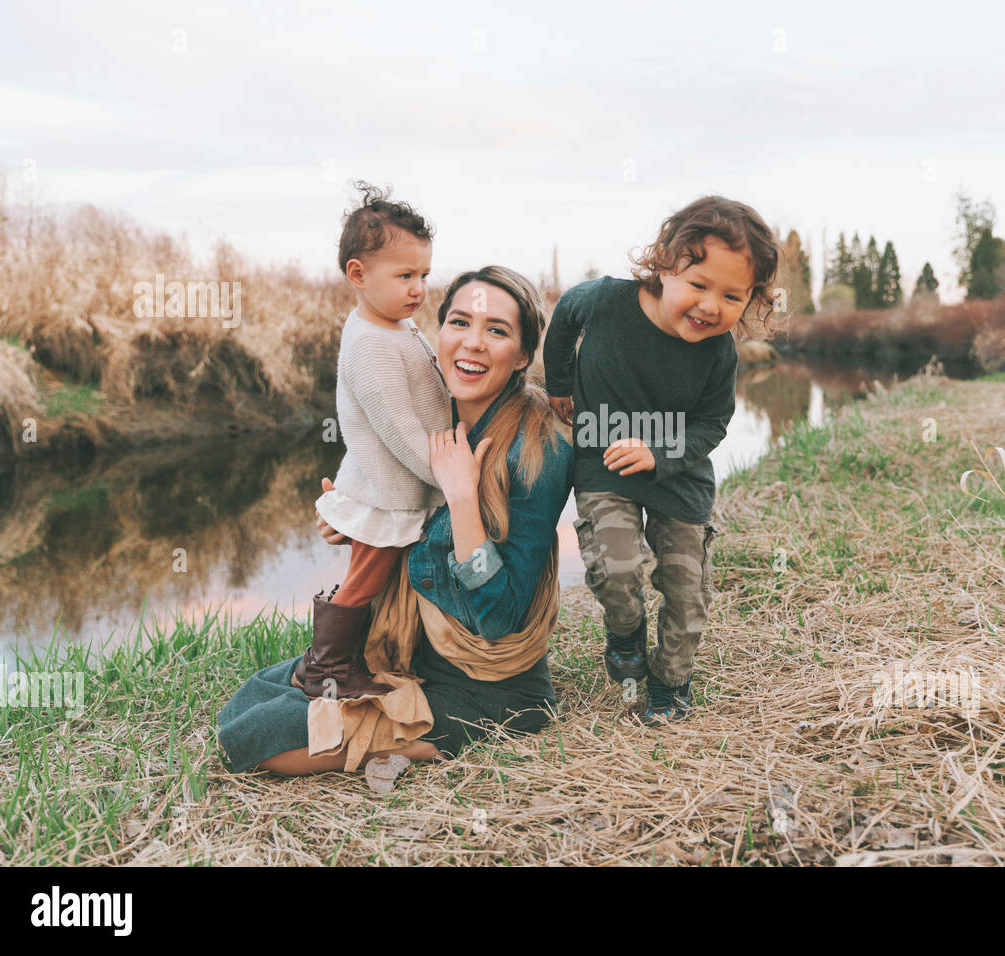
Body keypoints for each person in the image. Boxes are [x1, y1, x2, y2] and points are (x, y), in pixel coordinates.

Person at [217, 266, 573, 774]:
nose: (472, 343)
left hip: (484, 682)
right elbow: (408, 526)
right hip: (410, 650)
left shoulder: (541, 448)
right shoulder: (430, 415)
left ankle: (420, 741)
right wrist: (359, 522)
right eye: (459, 322)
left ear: (521, 355)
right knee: (252, 700)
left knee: (257, 739)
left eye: (496, 330)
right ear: (439, 332)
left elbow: (499, 616)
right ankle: (389, 711)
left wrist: (462, 497)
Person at [543, 195, 779, 724]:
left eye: (732, 296)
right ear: (665, 265)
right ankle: (625, 631)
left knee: (686, 590)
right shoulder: (603, 301)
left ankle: (670, 682)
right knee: (615, 567)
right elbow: (561, 319)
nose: (711, 306)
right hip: (605, 459)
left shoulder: (719, 351)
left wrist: (659, 452)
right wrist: (559, 384)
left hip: (679, 478)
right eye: (699, 285)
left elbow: (712, 423)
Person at [293, 181, 450, 700]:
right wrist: (446, 475)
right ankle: (325, 669)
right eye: (404, 275)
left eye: (423, 275)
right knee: (366, 577)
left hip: (397, 487)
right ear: (358, 275)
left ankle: (348, 657)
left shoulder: (397, 327)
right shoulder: (370, 344)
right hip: (387, 490)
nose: (418, 289)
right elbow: (399, 429)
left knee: (374, 577)